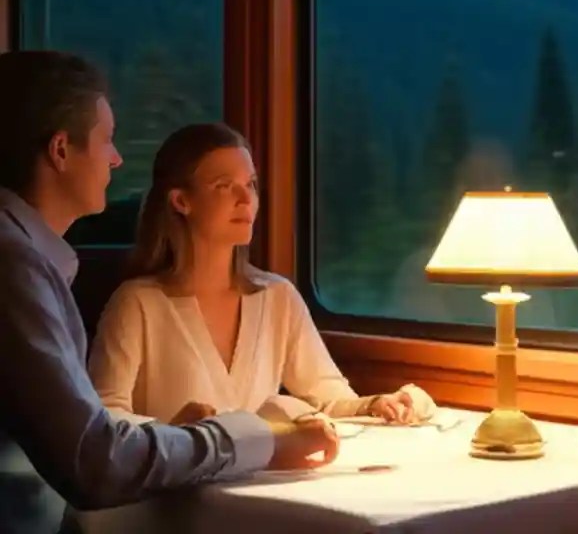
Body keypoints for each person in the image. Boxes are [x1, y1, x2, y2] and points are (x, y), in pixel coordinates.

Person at [0, 50, 339, 533]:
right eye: (107, 140)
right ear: (59, 151)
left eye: (252, 185)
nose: (116, 158)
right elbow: (95, 460)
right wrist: (256, 439)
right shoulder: (14, 268)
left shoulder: (31, 263)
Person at [88, 122, 432, 426]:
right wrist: (174, 434)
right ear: (181, 201)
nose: (245, 199)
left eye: (250, 184)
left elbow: (326, 397)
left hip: (254, 487)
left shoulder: (277, 297)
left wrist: (376, 404)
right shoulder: (137, 304)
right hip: (171, 492)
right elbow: (104, 418)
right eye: (224, 185)